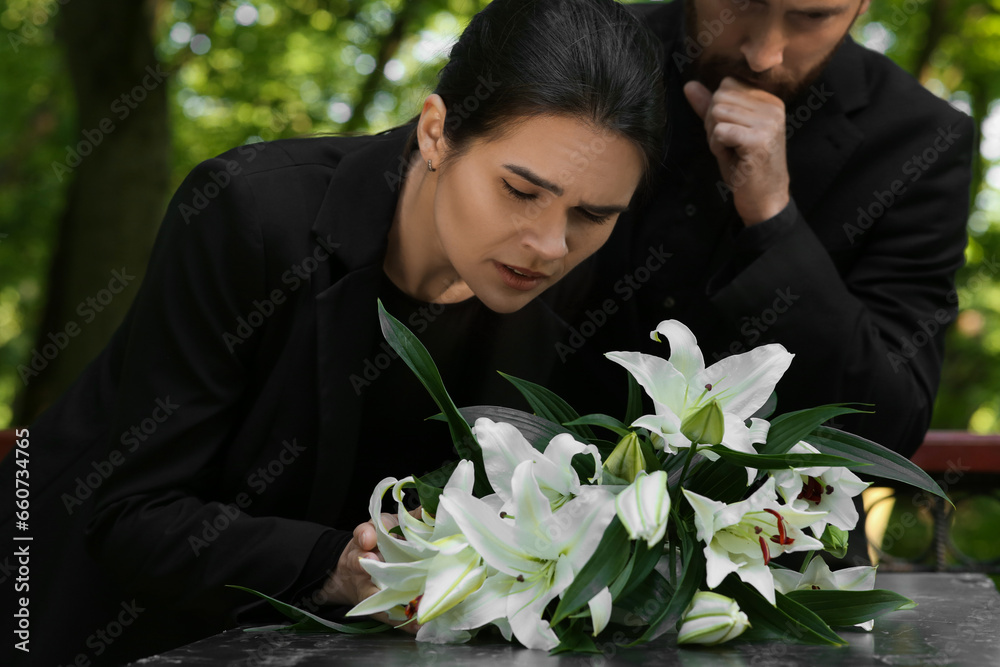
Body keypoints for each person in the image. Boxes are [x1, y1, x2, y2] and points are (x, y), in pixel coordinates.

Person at [0, 1, 666, 664]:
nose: (550, 245)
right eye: (521, 191)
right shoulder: (249, 215)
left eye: (593, 213)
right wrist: (336, 564)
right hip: (86, 621)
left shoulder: (589, 284)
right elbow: (130, 516)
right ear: (437, 131)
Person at [546, 0, 975, 461]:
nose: (763, 55)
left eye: (813, 16)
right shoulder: (568, 49)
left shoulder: (922, 140)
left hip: (771, 527)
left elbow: (887, 432)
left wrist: (773, 219)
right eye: (742, 4)